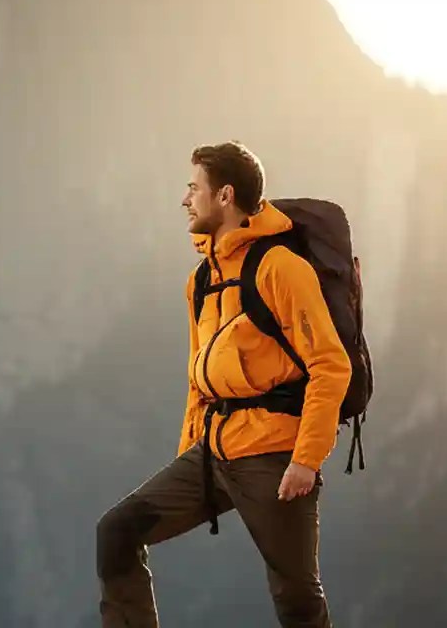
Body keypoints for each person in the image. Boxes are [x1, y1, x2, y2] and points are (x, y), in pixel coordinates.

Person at [95, 141, 352, 628]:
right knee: (117, 531)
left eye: (194, 188)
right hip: (213, 452)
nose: (185, 199)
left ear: (225, 195)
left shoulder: (280, 268)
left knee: (297, 600)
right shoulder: (202, 281)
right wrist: (191, 453)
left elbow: (330, 365)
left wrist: (305, 459)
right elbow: (199, 377)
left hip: (273, 457)